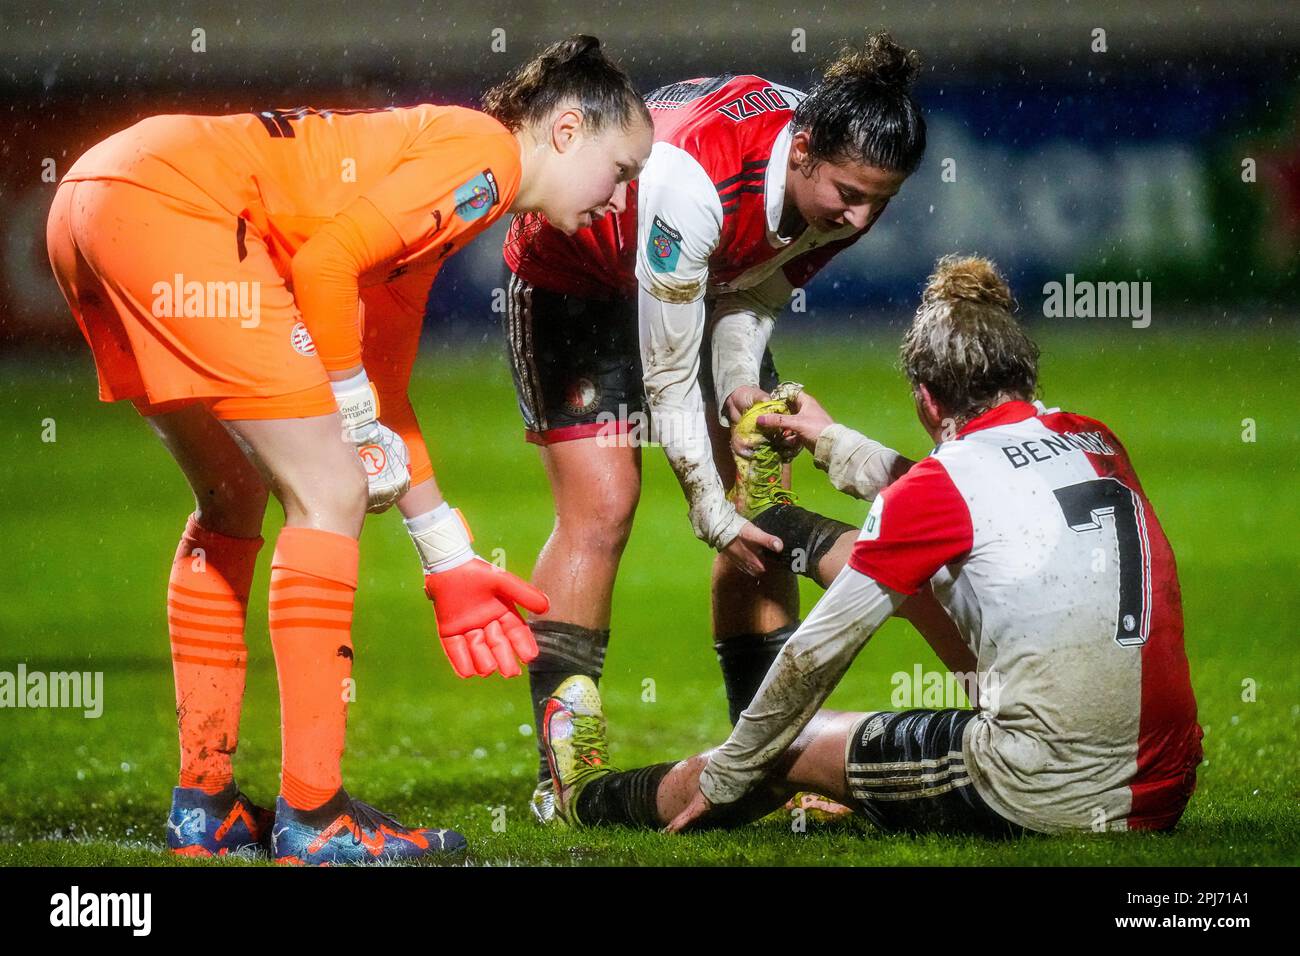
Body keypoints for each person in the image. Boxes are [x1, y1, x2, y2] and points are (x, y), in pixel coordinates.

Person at [45, 35, 652, 864]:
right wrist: (354, 419)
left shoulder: (429, 185)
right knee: (327, 491)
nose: (619, 200)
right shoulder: (485, 159)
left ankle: (207, 807)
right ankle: (315, 815)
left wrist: (447, 553)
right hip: (174, 208)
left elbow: (380, 388)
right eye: (621, 171)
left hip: (92, 200)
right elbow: (330, 271)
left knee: (232, 497)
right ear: (568, 131)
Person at [540, 255, 1204, 838]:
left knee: (785, 746)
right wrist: (831, 441)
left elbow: (814, 656)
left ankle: (590, 798)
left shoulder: (942, 488)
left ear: (924, 397)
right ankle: (776, 515)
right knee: (935, 578)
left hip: (1044, 791)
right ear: (1022, 372)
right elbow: (964, 494)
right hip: (1164, 783)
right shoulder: (1095, 439)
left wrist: (732, 773)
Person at [502, 32, 932, 807]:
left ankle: (772, 757)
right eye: (847, 193)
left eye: (879, 199)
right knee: (602, 508)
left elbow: (757, 288)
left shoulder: (837, 179)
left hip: (695, 279)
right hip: (574, 272)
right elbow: (668, 383)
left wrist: (737, 384)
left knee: (762, 491)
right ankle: (563, 769)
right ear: (800, 153)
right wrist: (705, 504)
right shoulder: (695, 181)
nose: (860, 215)